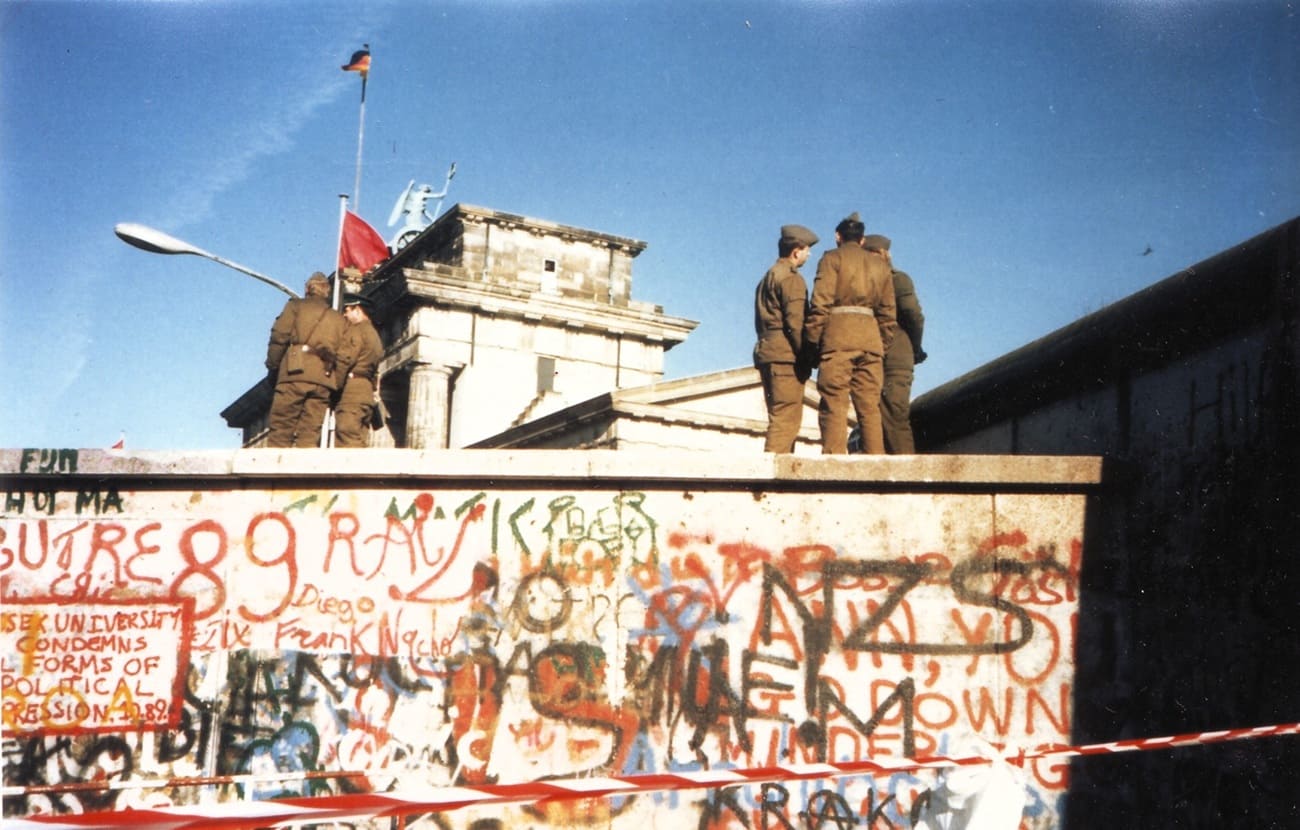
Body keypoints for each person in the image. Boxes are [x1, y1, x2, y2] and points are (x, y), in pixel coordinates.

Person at [803, 212, 897, 454]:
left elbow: (820, 304)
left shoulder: (831, 259)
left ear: (838, 236)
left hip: (838, 339)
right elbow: (888, 314)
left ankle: (834, 464)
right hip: (871, 341)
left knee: (834, 402)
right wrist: (881, 345)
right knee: (869, 407)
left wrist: (812, 342)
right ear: (862, 240)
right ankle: (876, 464)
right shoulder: (881, 265)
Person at [753, 224, 819, 452]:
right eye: (807, 249)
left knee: (778, 418)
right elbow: (796, 324)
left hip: (768, 352)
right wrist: (808, 356)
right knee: (786, 422)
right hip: (786, 356)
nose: (809, 254)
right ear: (796, 251)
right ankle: (768, 484)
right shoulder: (792, 279)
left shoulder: (768, 277)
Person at [264, 272, 349, 448]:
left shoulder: (295, 306)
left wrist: (273, 366)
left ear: (307, 289)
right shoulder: (339, 319)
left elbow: (279, 337)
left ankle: (273, 475)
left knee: (281, 429)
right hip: (323, 381)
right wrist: (334, 383)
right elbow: (343, 356)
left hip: (295, 373)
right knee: (310, 434)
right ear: (327, 292)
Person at [863, 234, 927, 454]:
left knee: (893, 415)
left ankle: (905, 477)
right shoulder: (876, 280)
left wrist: (914, 348)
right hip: (884, 352)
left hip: (894, 353)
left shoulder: (896, 279)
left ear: (878, 254)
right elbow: (915, 317)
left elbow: (913, 315)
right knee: (878, 416)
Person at [334, 293, 385, 448]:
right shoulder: (374, 335)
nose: (345, 315)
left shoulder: (356, 331)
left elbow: (345, 359)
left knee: (346, 437)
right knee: (359, 440)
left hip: (351, 390)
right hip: (365, 392)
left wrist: (335, 385)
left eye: (347, 310)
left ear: (358, 310)